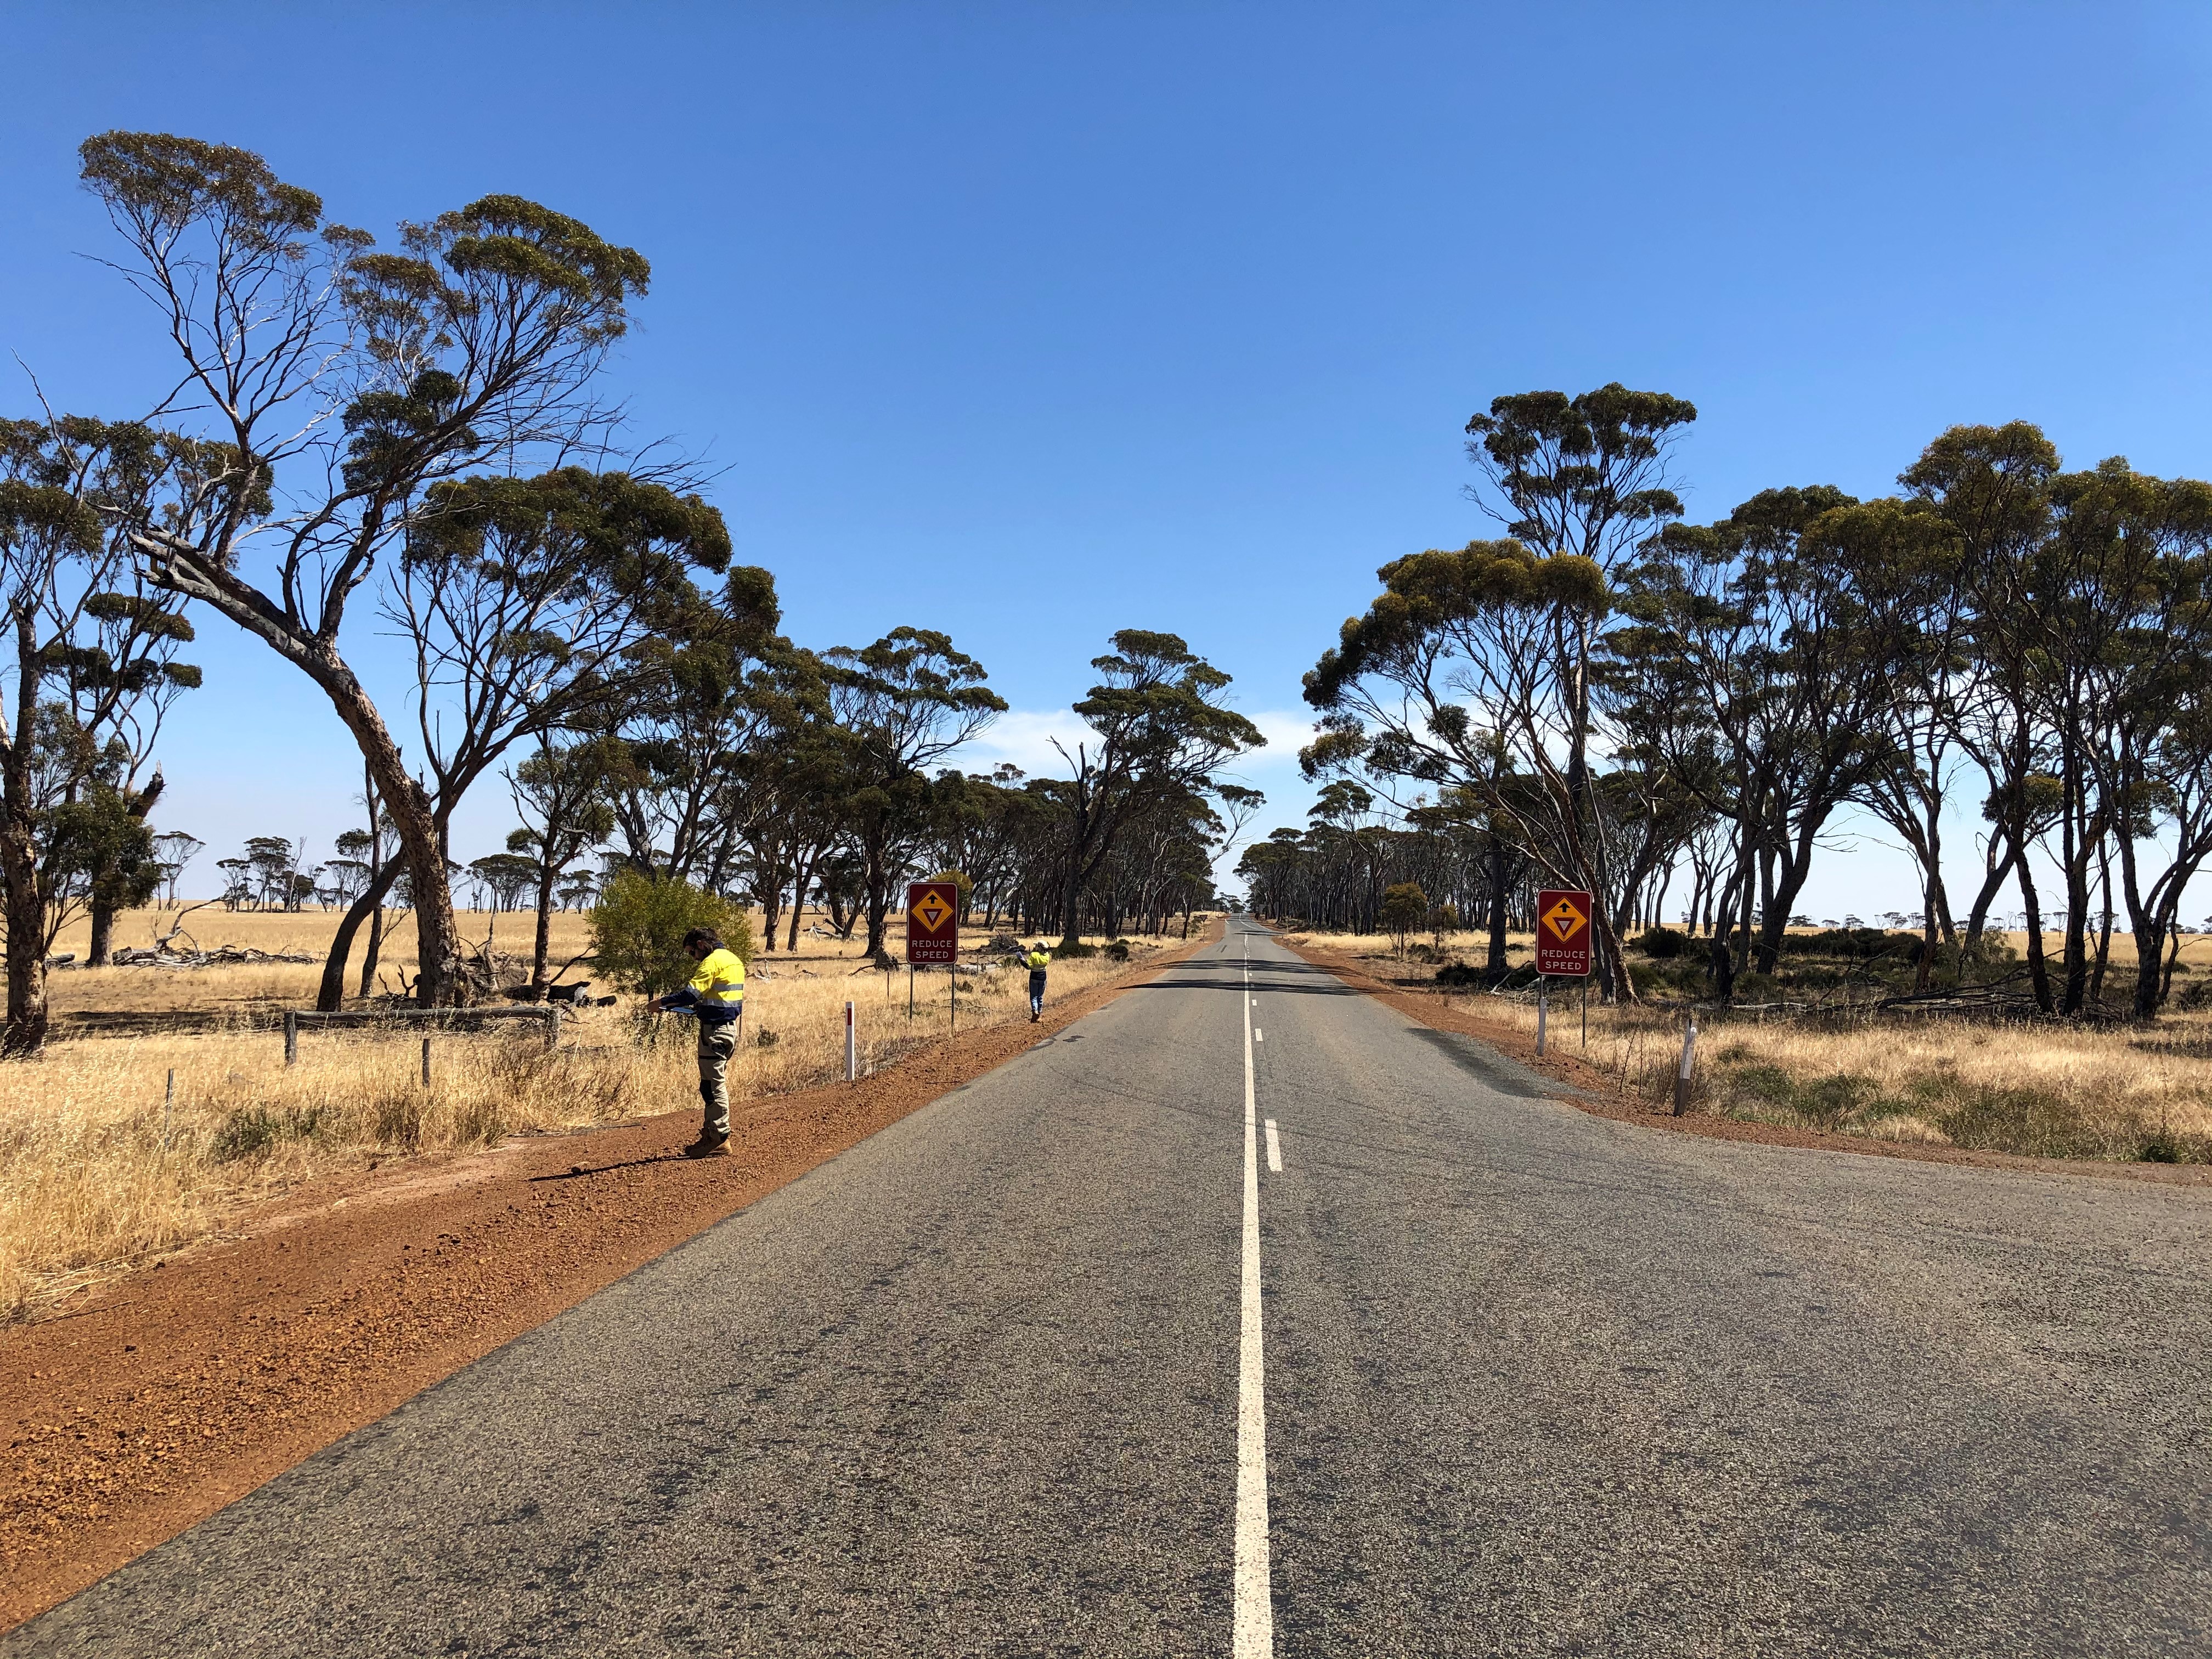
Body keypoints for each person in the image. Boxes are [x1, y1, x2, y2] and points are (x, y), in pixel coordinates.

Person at [648, 926, 746, 1158]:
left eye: (692, 953)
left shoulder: (712, 961)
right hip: (729, 1030)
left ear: (701, 945)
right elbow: (721, 1000)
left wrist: (660, 1003)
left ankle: (718, 1138)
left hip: (714, 1033)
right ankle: (713, 1134)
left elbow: (689, 994)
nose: (693, 958)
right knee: (711, 1084)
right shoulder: (733, 960)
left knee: (713, 1086)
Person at [1025, 942, 1050, 1021]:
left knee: (1034, 996)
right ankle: (1039, 1014)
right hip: (1043, 977)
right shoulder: (1047, 955)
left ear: (1039, 947)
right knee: (1040, 996)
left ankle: (1035, 1011)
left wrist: (1022, 960)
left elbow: (1029, 966)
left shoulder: (1034, 955)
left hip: (1034, 977)